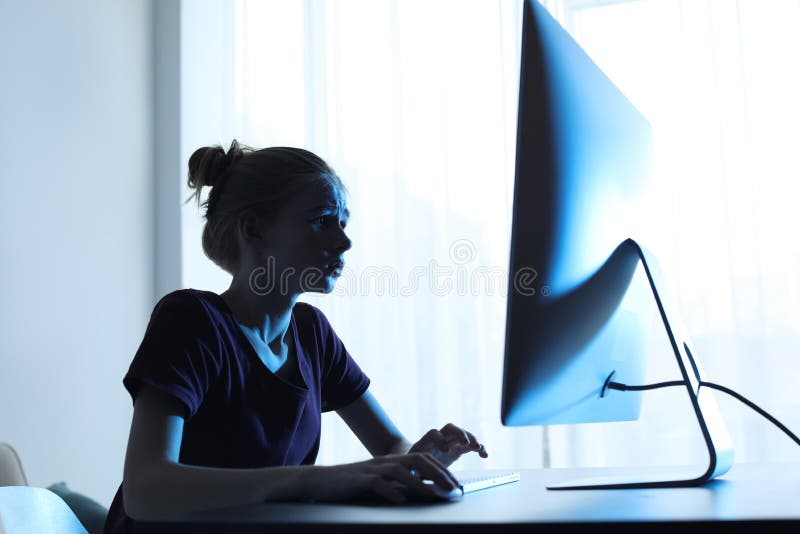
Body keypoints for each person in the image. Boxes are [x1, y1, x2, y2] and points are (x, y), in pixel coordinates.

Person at [103, 141, 488, 533]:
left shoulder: (312, 333)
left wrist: (419, 459)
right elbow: (145, 490)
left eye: (343, 222)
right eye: (322, 220)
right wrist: (315, 482)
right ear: (253, 229)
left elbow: (390, 446)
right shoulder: (191, 321)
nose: (344, 241)